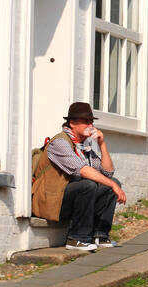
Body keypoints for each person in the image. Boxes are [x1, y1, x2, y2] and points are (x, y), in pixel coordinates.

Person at [46, 102, 126, 251]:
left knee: (111, 182)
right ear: (72, 123)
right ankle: (77, 238)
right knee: (89, 185)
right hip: (53, 201)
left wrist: (102, 144)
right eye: (85, 122)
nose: (90, 125)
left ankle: (100, 235)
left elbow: (107, 173)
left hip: (74, 199)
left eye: (91, 122)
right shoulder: (60, 143)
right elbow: (82, 170)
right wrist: (111, 184)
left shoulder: (83, 146)